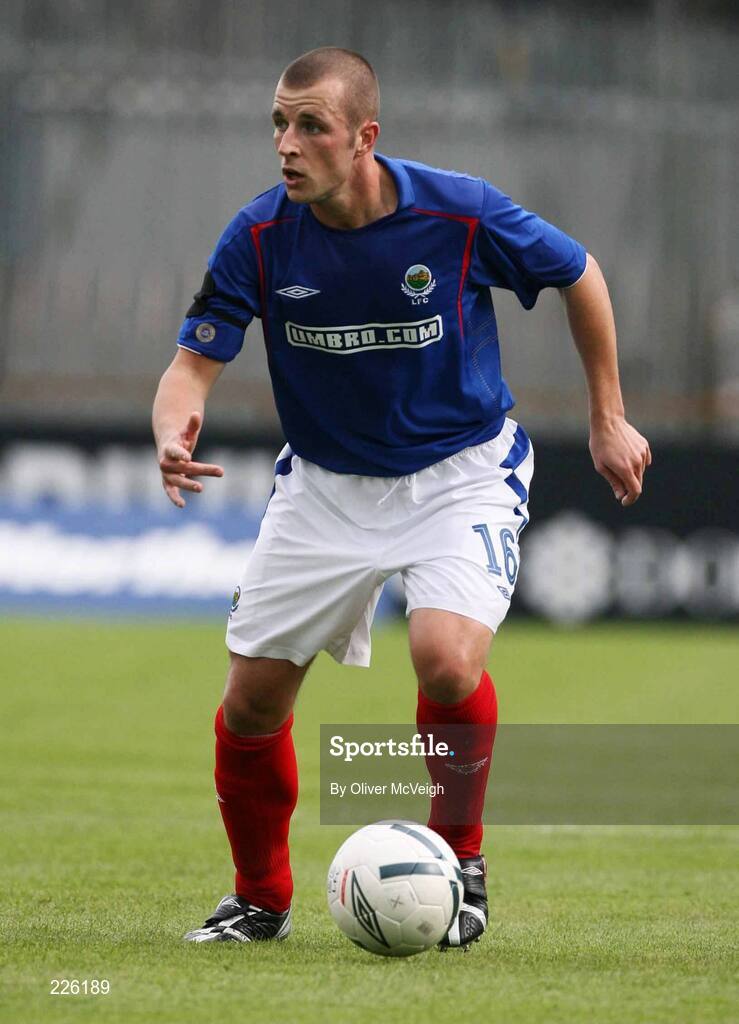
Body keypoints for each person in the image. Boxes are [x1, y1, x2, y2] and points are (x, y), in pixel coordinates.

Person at [152, 47, 651, 949]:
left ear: (364, 138)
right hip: (325, 488)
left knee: (446, 661)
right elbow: (191, 366)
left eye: (310, 125)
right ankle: (260, 899)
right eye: (277, 122)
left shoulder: (458, 212)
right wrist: (173, 427)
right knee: (251, 706)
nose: (287, 144)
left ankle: (461, 863)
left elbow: (580, 274)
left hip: (458, 473)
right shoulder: (259, 237)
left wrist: (608, 417)